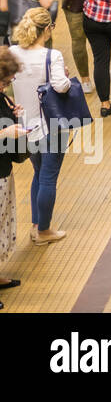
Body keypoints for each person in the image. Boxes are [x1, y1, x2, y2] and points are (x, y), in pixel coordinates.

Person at [9, 7, 71, 242]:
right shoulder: (51, 56)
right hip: (50, 127)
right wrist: (64, 75)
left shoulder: (13, 52)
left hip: (25, 126)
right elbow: (61, 86)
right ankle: (44, 231)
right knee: (48, 178)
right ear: (46, 29)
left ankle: (37, 223)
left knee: (38, 173)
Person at [0, 50, 27, 297]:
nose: (8, 86)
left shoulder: (1, 97)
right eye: (6, 81)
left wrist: (12, 115)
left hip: (2, 169)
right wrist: (4, 134)